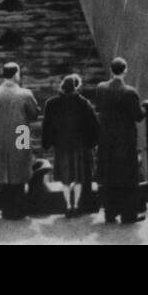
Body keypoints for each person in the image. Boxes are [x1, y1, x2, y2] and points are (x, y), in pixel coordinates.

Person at [93, 56, 146, 223]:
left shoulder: (101, 88)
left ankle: (110, 212)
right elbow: (138, 117)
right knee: (128, 177)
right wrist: (145, 106)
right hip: (125, 141)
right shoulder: (130, 92)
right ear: (125, 71)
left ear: (111, 70)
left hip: (107, 140)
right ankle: (128, 214)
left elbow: (99, 108)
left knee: (109, 176)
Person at [0, 61, 40, 219]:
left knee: (3, 171)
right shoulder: (25, 93)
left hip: (0, 136)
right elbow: (34, 114)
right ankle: (19, 208)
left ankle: (6, 208)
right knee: (21, 168)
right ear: (16, 74)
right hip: (21, 134)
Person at [41, 74, 98, 217]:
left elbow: (47, 125)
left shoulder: (51, 103)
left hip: (61, 146)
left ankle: (67, 206)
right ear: (76, 86)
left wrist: (47, 142)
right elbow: (93, 125)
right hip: (79, 146)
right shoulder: (84, 103)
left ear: (62, 86)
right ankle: (77, 205)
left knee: (66, 179)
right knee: (78, 178)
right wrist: (92, 143)